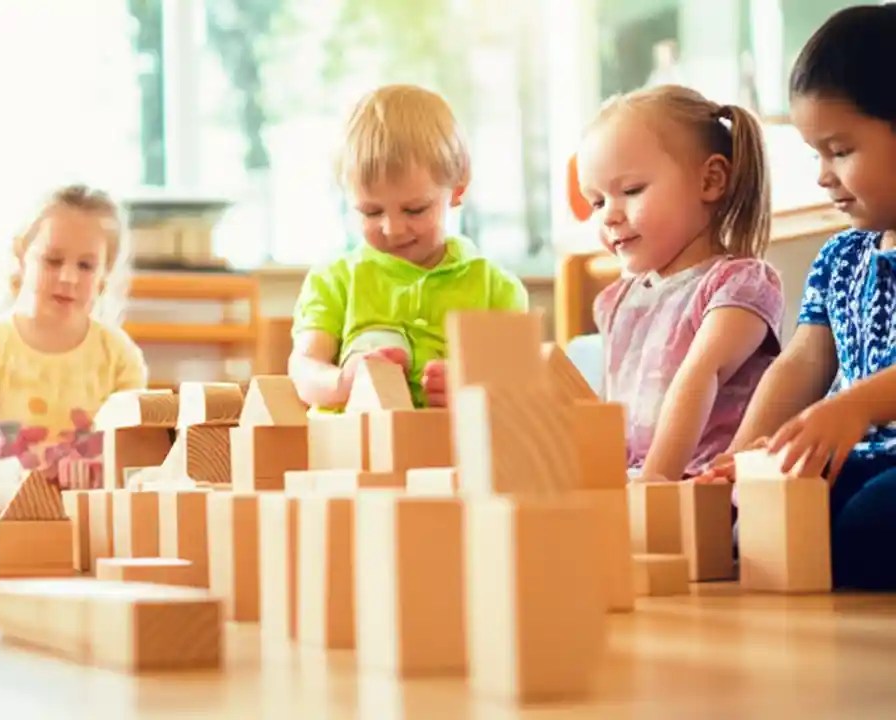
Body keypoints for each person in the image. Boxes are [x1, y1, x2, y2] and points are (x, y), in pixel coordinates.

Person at [701, 5, 896, 589]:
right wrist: (745, 457)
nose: (823, 176)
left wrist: (856, 406)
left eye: (840, 150)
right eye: (816, 153)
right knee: (772, 519)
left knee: (869, 522)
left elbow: (843, 401)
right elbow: (802, 363)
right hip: (861, 459)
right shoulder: (841, 257)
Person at [577, 83, 783, 482]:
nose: (608, 216)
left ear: (711, 181)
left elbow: (700, 374)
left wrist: (655, 485)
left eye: (631, 190)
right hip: (637, 482)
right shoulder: (615, 301)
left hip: (708, 487)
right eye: (597, 201)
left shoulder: (739, 284)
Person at [289, 84, 528, 410]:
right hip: (354, 452)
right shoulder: (335, 280)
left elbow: (521, 391)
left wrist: (471, 390)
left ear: (457, 190)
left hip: (456, 454)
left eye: (415, 210)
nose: (393, 229)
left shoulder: (496, 288)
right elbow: (304, 369)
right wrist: (343, 383)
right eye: (371, 212)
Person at [0, 184, 146, 489]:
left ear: (106, 272)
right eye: (53, 260)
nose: (68, 277)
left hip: (91, 512)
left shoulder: (120, 355)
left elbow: (135, 451)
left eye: (86, 265)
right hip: (2, 508)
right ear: (22, 256)